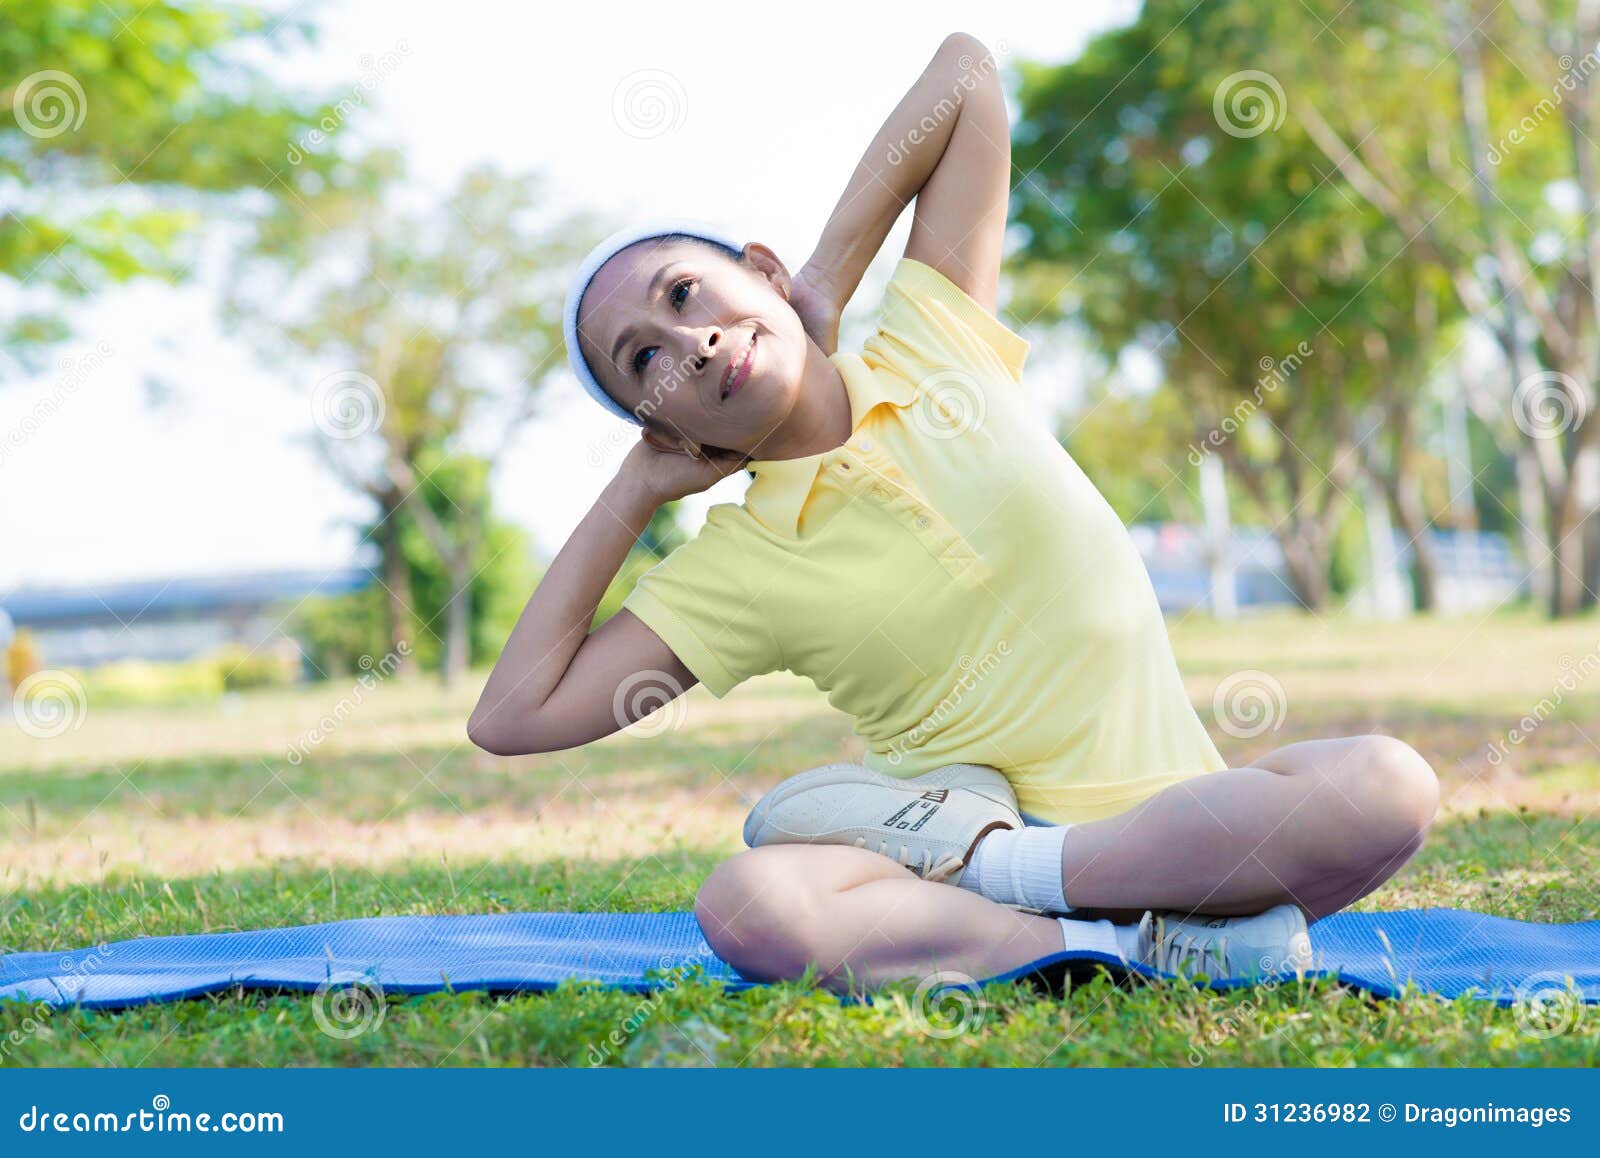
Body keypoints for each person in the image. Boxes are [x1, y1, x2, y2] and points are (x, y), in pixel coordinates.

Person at [469, 32, 1439, 991]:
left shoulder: (933, 340)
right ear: (662, 425)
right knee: (745, 903)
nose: (692, 341)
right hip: (972, 875)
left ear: (760, 270)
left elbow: (965, 74)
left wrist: (822, 281)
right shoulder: (735, 564)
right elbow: (512, 717)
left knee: (1388, 786)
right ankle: (1116, 943)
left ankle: (1088, 902)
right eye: (644, 359)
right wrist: (635, 487)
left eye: (685, 293)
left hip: (1187, 832)